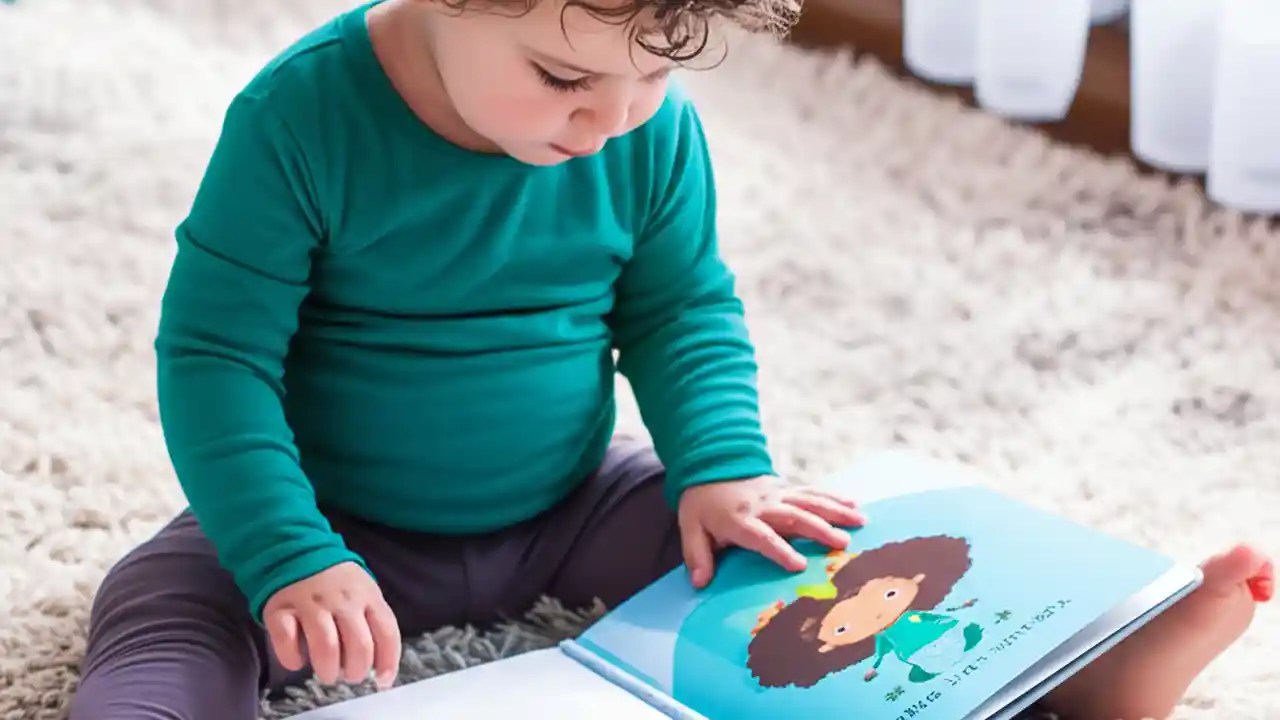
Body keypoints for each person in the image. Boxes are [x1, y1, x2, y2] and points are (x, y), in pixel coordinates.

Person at [69, 0, 1272, 718]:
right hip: (335, 524)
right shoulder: (297, 120)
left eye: (653, 74)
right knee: (163, 607)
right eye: (566, 77)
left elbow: (681, 308)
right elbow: (215, 356)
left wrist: (720, 469)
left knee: (822, 560)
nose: (614, 116)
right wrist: (290, 558)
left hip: (577, 500)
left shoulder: (650, 134)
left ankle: (1085, 669)